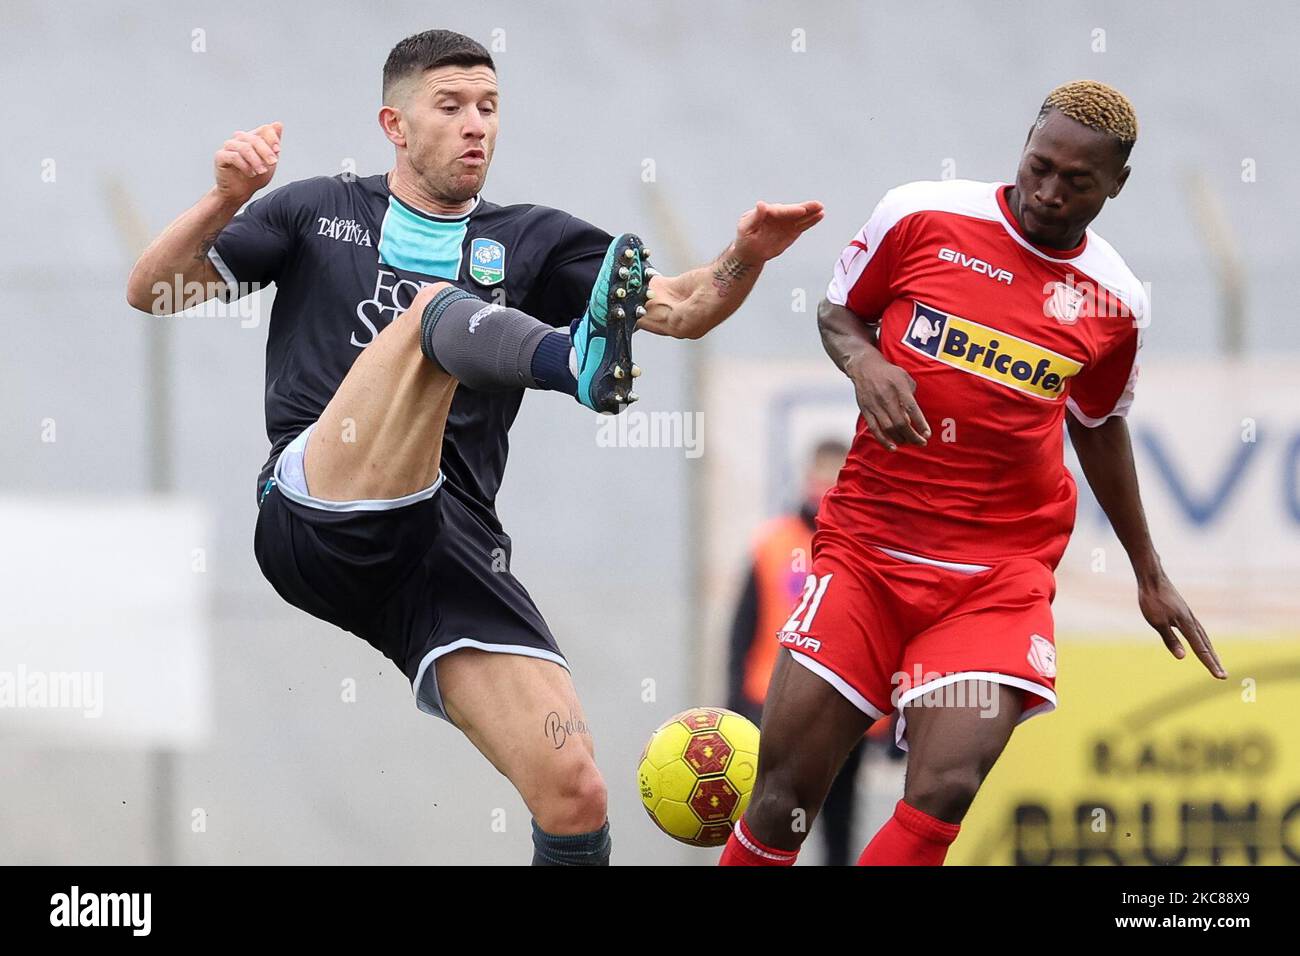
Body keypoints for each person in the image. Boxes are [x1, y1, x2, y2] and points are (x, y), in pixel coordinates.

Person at [127, 28, 823, 865]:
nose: (475, 125)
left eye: (488, 108)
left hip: (446, 547)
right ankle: (573, 361)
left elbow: (678, 307)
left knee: (575, 792)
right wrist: (223, 198)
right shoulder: (314, 211)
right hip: (316, 510)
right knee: (430, 315)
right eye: (451, 106)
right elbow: (152, 290)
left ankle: (578, 358)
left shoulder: (530, 238)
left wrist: (745, 256)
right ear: (394, 123)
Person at [719, 80, 1223, 867]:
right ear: (1024, 143)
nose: (1049, 193)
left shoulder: (1114, 302)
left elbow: (1097, 426)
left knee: (947, 786)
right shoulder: (921, 215)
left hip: (996, 575)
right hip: (868, 551)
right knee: (784, 796)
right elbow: (836, 311)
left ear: (1117, 184)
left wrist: (1149, 573)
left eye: (1078, 182)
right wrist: (864, 363)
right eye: (1040, 165)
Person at [725, 438, 877, 865]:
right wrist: (735, 703)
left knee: (839, 823)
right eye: (822, 474)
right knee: (769, 816)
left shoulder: (864, 549)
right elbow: (741, 632)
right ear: (808, 476)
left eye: (838, 475)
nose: (827, 485)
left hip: (844, 703)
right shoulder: (773, 543)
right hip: (770, 704)